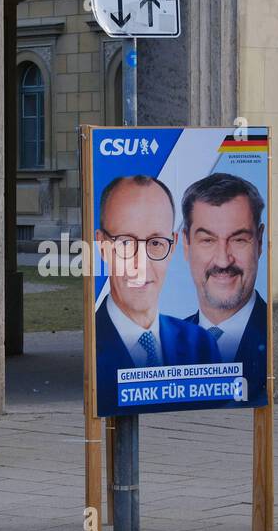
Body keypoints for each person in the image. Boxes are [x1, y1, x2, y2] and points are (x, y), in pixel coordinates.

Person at [94, 175, 217, 408]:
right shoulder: (92, 342)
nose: (141, 264)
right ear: (102, 246)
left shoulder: (201, 344)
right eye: (125, 243)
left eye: (156, 243)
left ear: (173, 246)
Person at [180, 173, 267, 404]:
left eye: (238, 240)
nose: (223, 260)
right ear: (186, 244)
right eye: (208, 240)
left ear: (259, 242)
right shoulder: (164, 343)